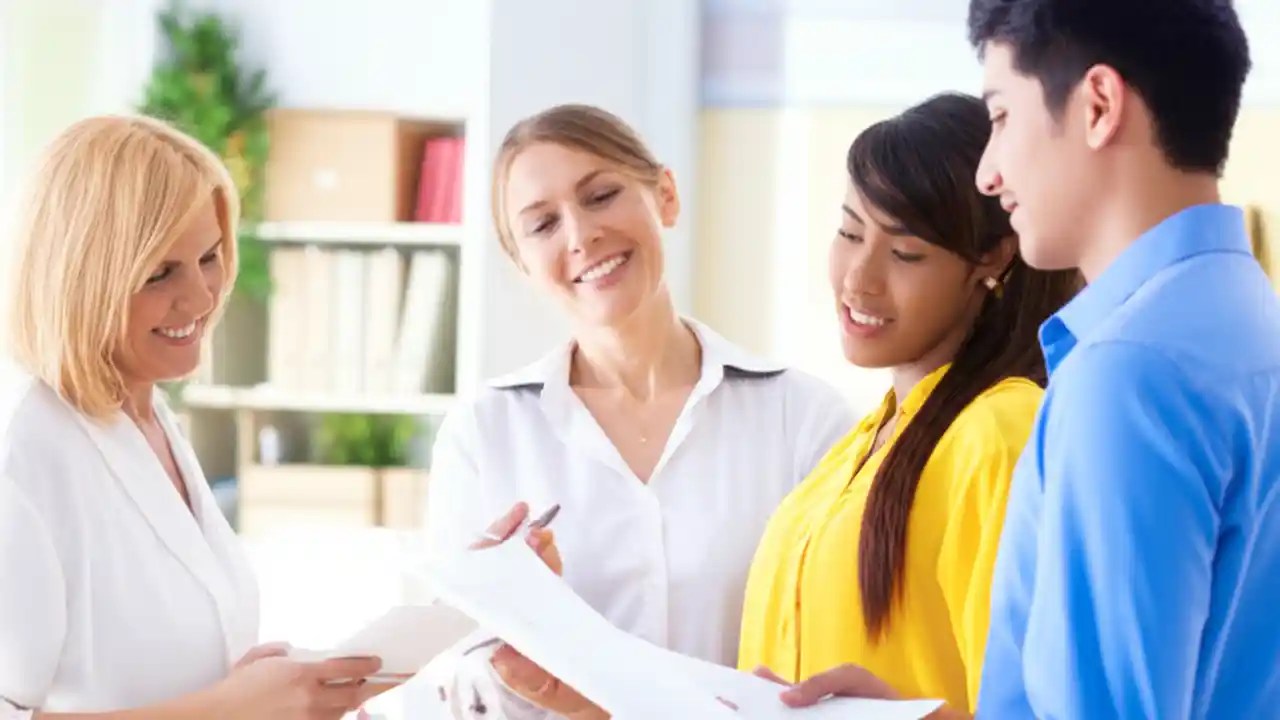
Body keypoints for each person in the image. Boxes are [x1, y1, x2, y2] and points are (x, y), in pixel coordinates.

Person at [781, 1, 1280, 718]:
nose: (988, 173)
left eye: (1002, 116)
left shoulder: (1125, 373)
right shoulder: (1245, 320)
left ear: (1098, 106)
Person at [419, 103, 854, 719]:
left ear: (666, 196)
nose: (580, 235)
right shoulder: (486, 434)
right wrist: (518, 626)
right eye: (542, 225)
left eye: (600, 196)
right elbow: (454, 679)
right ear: (522, 265)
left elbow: (844, 649)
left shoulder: (803, 419)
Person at [0, 115, 398, 719]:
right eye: (160, 273)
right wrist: (231, 707)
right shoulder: (25, 451)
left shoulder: (150, 415)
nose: (203, 297)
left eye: (209, 257)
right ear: (81, 280)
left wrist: (276, 692)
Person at [733, 92, 1077, 715]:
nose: (858, 279)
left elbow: (1036, 702)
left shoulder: (999, 435)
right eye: (849, 232)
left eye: (904, 253)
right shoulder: (861, 445)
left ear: (992, 258)